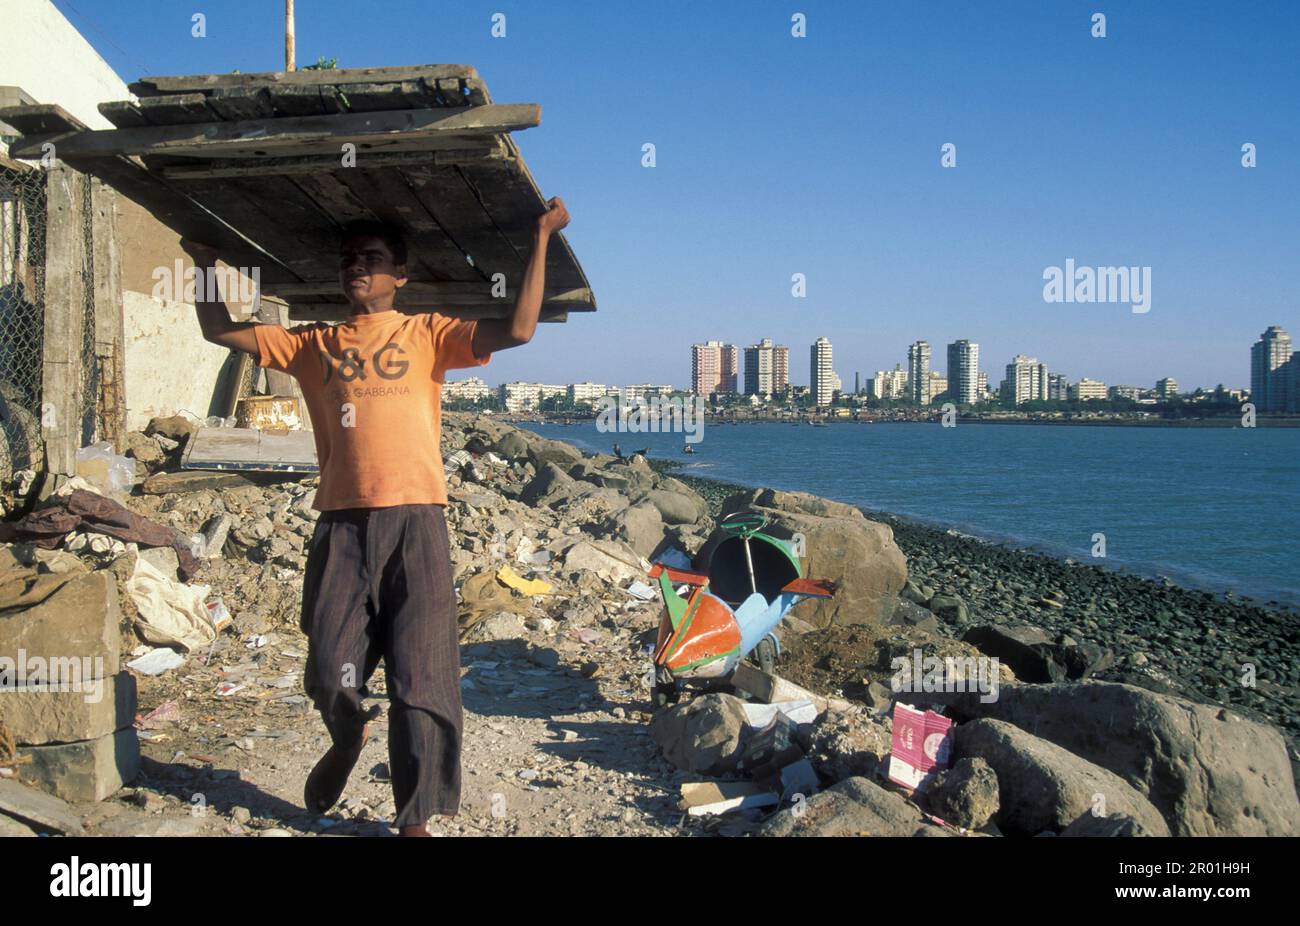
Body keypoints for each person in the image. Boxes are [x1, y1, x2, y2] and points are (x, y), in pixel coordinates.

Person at [180, 196, 571, 837]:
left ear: (400, 276)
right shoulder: (312, 343)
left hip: (417, 520)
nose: (357, 268)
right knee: (330, 662)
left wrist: (540, 236)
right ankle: (347, 733)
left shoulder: (428, 334)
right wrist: (203, 263)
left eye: (373, 259)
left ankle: (415, 818)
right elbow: (219, 331)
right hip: (340, 522)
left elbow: (520, 329)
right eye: (349, 260)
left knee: (422, 678)